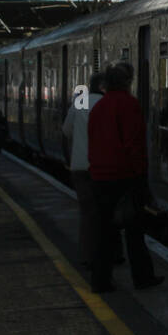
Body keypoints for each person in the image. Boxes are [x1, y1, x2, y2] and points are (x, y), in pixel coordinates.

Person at [87, 62, 162, 292]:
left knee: (104, 233)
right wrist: (141, 180)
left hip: (99, 177)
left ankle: (100, 281)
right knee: (134, 232)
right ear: (126, 83)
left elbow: (92, 140)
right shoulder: (129, 105)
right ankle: (142, 277)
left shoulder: (98, 107)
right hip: (125, 178)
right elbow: (134, 145)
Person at [62, 71, 104, 266]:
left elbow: (66, 130)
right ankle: (106, 254)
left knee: (86, 214)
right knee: (104, 213)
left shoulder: (81, 102)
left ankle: (87, 256)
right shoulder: (107, 104)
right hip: (102, 167)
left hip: (79, 166)